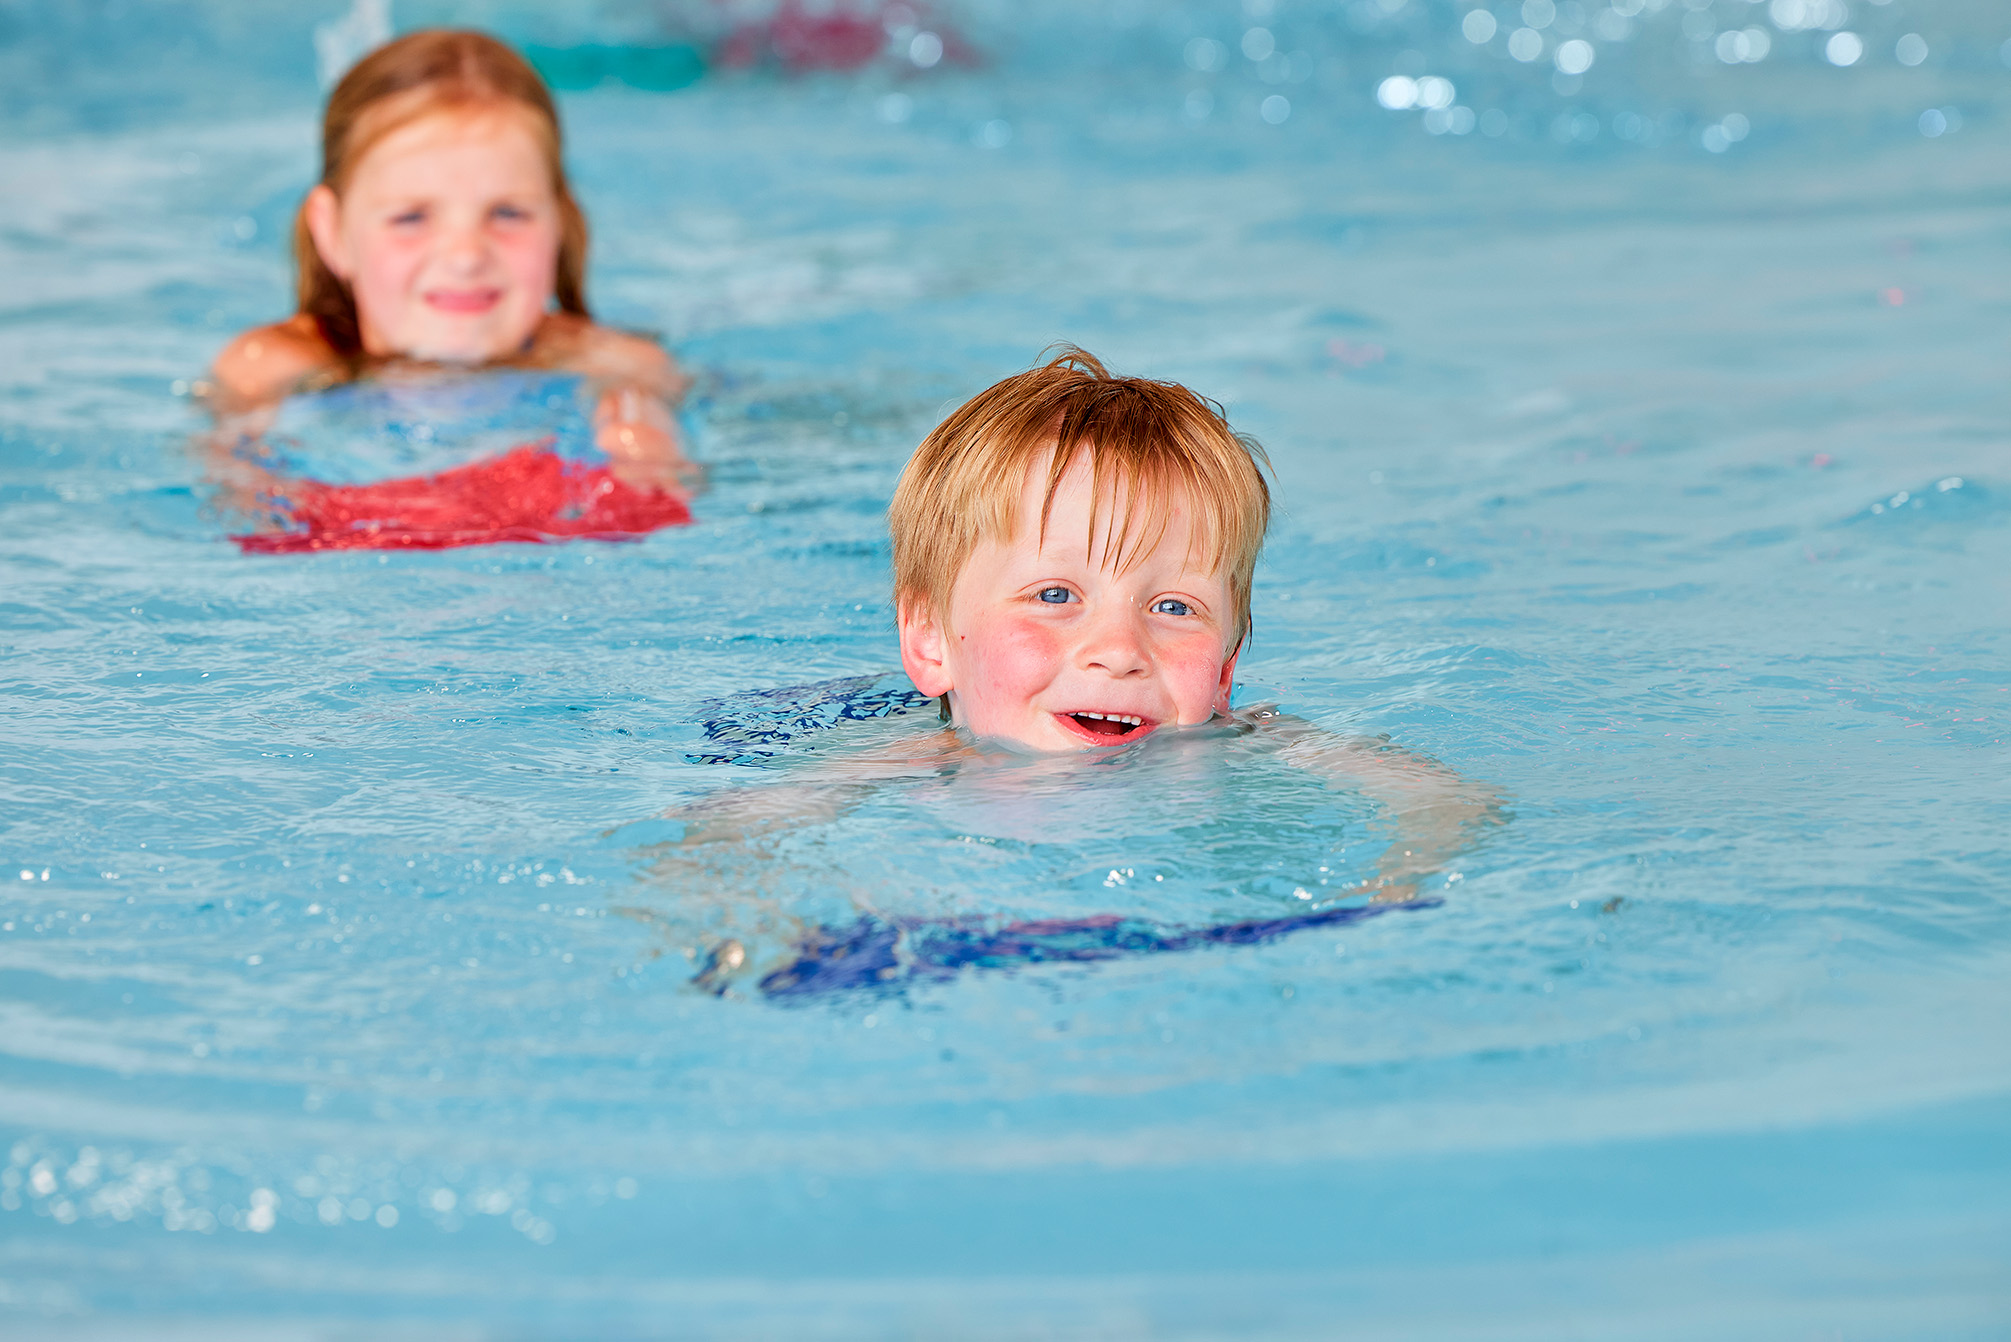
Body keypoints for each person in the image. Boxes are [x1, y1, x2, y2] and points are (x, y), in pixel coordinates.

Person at [638, 348, 1502, 995]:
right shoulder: (908, 763)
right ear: (932, 639)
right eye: (1055, 594)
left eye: (1173, 608)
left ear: (1229, 665)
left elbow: (1446, 802)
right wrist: (748, 925)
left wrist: (1389, 890)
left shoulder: (1259, 751)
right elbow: (731, 832)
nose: (1119, 648)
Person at [206, 29, 693, 549]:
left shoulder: (612, 366)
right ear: (333, 232)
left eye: (508, 213)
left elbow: (663, 474)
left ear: (560, 222)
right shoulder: (271, 369)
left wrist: (645, 444)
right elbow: (239, 495)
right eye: (411, 217)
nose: (465, 256)